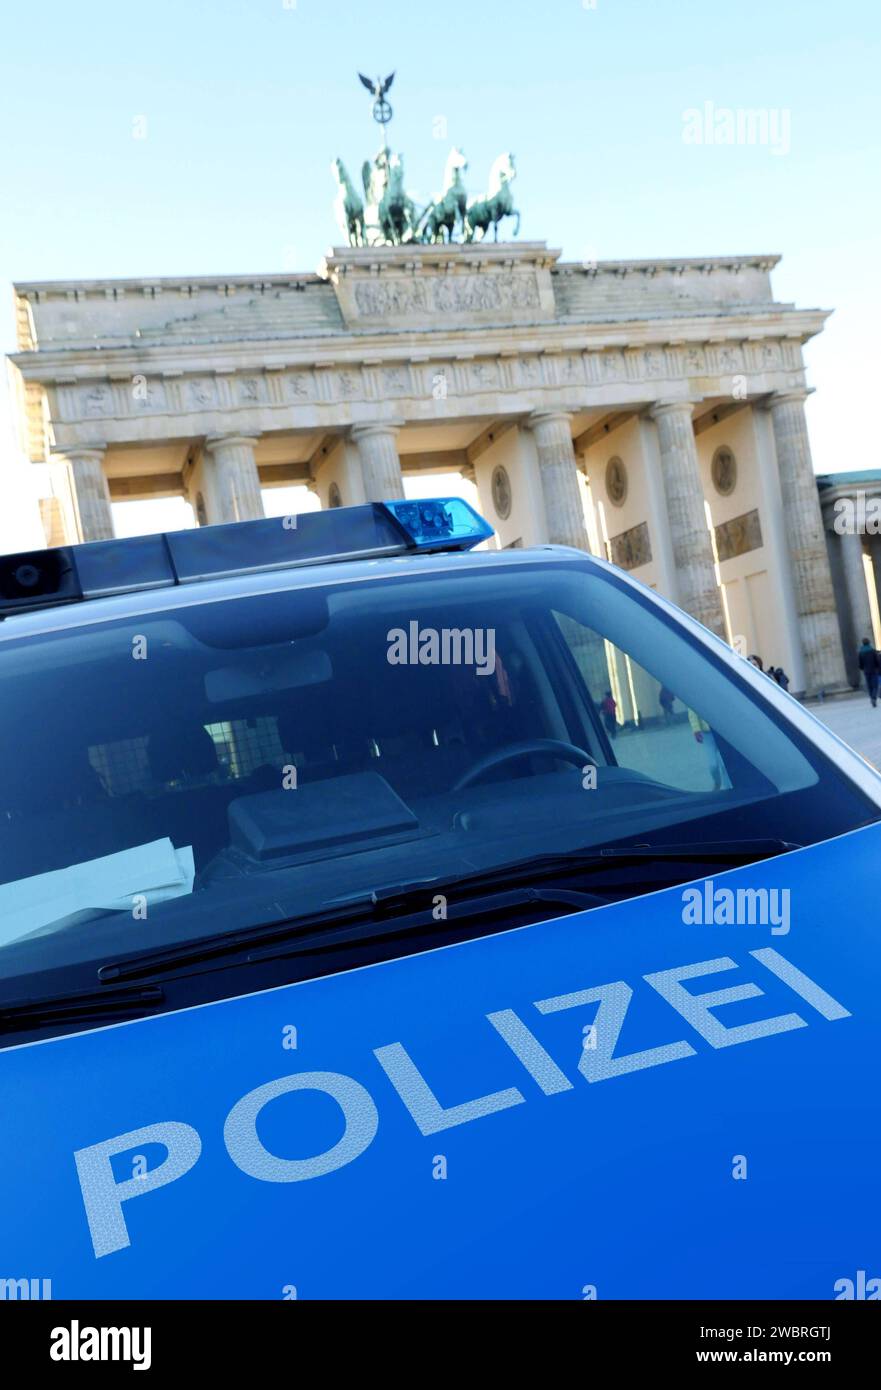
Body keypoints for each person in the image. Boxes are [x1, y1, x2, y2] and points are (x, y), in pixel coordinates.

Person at [857, 638, 880, 707]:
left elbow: (860, 663)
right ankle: (874, 697)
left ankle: (871, 698)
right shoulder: (872, 651)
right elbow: (877, 661)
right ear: (869, 643)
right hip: (874, 670)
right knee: (875, 685)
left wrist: (862, 668)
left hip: (866, 671)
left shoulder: (861, 652)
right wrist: (877, 667)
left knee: (869, 685)